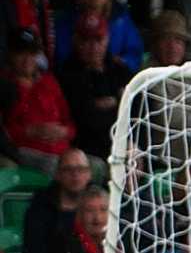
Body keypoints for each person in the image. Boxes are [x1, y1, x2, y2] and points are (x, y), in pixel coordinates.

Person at [56, 13, 134, 159]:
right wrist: (120, 103)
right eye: (86, 40)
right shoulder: (66, 75)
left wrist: (133, 145)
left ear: (107, 39)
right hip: (89, 152)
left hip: (127, 147)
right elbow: (87, 120)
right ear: (75, 40)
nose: (93, 47)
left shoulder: (120, 71)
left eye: (98, 39)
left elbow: (140, 110)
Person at [4, 26, 73, 174]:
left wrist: (63, 131)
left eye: (32, 53)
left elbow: (70, 123)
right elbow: (5, 132)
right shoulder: (5, 85)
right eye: (21, 53)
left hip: (60, 150)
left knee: (96, 166)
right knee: (60, 169)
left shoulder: (49, 81)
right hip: (25, 151)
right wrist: (29, 132)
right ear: (10, 55)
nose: (27, 59)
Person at [18, 146, 92, 253]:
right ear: (58, 174)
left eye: (81, 169)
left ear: (89, 174)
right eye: (68, 169)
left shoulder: (98, 205)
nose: (75, 175)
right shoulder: (40, 210)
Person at [55, 0, 145, 72]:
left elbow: (135, 52)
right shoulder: (68, 19)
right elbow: (61, 53)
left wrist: (123, 62)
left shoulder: (121, 19)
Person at [48, 184, 111, 253]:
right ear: (79, 214)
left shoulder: (122, 241)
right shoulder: (65, 241)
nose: (97, 218)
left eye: (103, 210)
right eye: (90, 211)